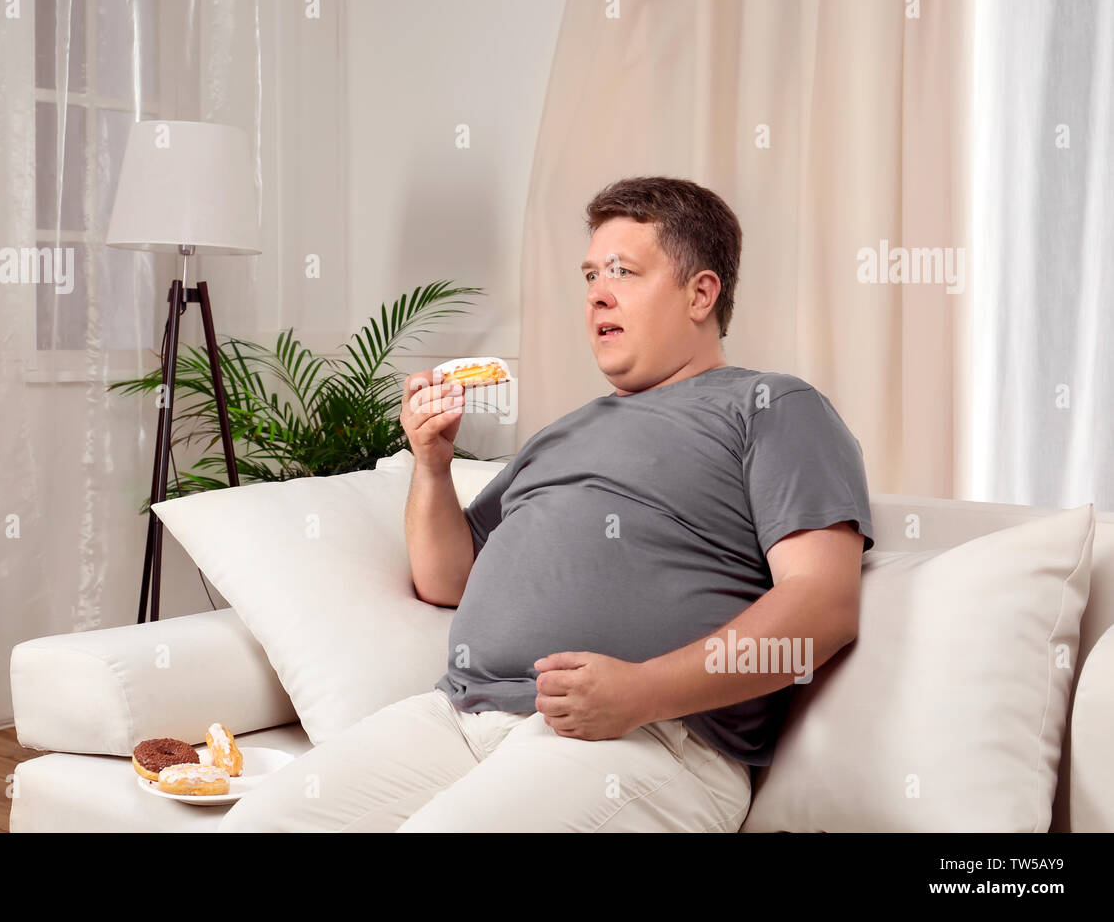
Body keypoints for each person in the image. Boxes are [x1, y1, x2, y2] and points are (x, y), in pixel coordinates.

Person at [218, 176, 873, 833]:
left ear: (701, 292)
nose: (596, 294)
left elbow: (823, 605)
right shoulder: (564, 433)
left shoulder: (771, 407)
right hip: (461, 716)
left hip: (648, 737)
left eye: (623, 271)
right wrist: (433, 463)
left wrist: (642, 692)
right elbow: (448, 581)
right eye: (590, 275)